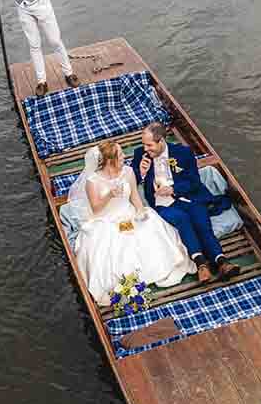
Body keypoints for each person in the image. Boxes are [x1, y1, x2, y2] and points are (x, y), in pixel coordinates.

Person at [70, 141, 195, 306]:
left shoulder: (128, 172)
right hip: (106, 220)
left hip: (128, 213)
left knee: (151, 226)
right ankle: (126, 281)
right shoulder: (93, 181)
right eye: (120, 155)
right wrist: (109, 195)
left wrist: (140, 211)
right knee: (112, 244)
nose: (124, 156)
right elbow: (96, 209)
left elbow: (135, 197)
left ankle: (158, 269)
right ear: (109, 160)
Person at [132, 123, 241, 283]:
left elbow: (194, 182)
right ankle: (201, 264)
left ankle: (222, 262)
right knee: (182, 220)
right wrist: (141, 172)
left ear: (161, 141)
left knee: (201, 222)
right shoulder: (140, 154)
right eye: (144, 144)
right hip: (162, 203)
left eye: (149, 145)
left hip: (190, 197)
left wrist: (173, 189)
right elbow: (130, 179)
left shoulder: (183, 153)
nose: (146, 148)